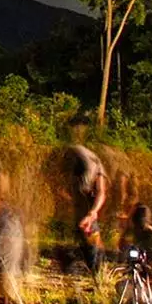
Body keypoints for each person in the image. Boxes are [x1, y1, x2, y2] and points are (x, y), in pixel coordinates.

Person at [60, 115, 108, 275]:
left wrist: (91, 212)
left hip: (84, 212)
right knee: (90, 248)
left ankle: (98, 276)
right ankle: (98, 275)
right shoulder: (84, 157)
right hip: (81, 212)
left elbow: (101, 191)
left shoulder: (90, 158)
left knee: (91, 248)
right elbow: (101, 191)